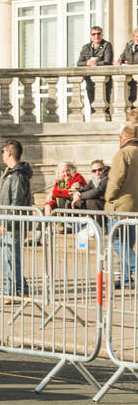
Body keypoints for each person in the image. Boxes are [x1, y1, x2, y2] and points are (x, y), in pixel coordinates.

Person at [0, 138, 33, 300]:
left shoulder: (17, 175)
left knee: (9, 258)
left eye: (3, 151)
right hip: (7, 222)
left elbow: (16, 202)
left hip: (12, 224)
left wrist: (6, 223)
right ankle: (20, 287)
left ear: (9, 153)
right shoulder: (9, 173)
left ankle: (12, 289)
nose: (2, 154)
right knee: (10, 257)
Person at [105, 123, 138, 288]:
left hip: (120, 206)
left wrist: (108, 197)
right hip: (135, 206)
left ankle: (134, 269)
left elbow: (115, 180)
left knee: (117, 242)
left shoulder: (123, 154)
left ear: (123, 137)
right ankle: (126, 278)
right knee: (128, 242)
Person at [79, 25, 114, 107]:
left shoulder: (107, 45)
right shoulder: (86, 47)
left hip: (104, 80)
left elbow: (108, 61)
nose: (96, 36)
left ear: (102, 35)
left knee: (105, 105)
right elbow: (79, 63)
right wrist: (87, 63)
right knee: (92, 105)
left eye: (98, 34)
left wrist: (95, 63)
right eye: (94, 34)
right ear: (90, 36)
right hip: (90, 80)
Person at [118, 27, 138, 104]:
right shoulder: (129, 45)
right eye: (136, 36)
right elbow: (122, 57)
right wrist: (120, 60)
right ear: (133, 37)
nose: (137, 38)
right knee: (132, 98)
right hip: (130, 77)